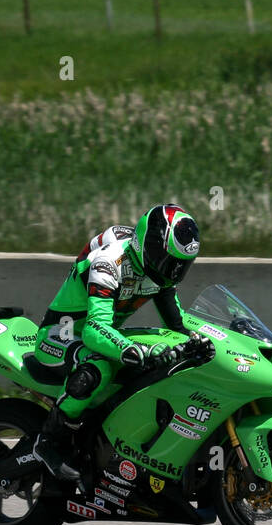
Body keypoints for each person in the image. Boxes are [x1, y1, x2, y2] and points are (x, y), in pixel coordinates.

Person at [31, 204, 213, 480]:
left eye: (180, 266)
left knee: (159, 365)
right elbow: (94, 329)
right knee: (98, 369)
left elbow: (178, 323)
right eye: (167, 261)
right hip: (61, 335)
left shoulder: (159, 272)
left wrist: (209, 339)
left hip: (101, 335)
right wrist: (132, 349)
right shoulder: (110, 262)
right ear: (146, 246)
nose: (171, 272)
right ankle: (48, 442)